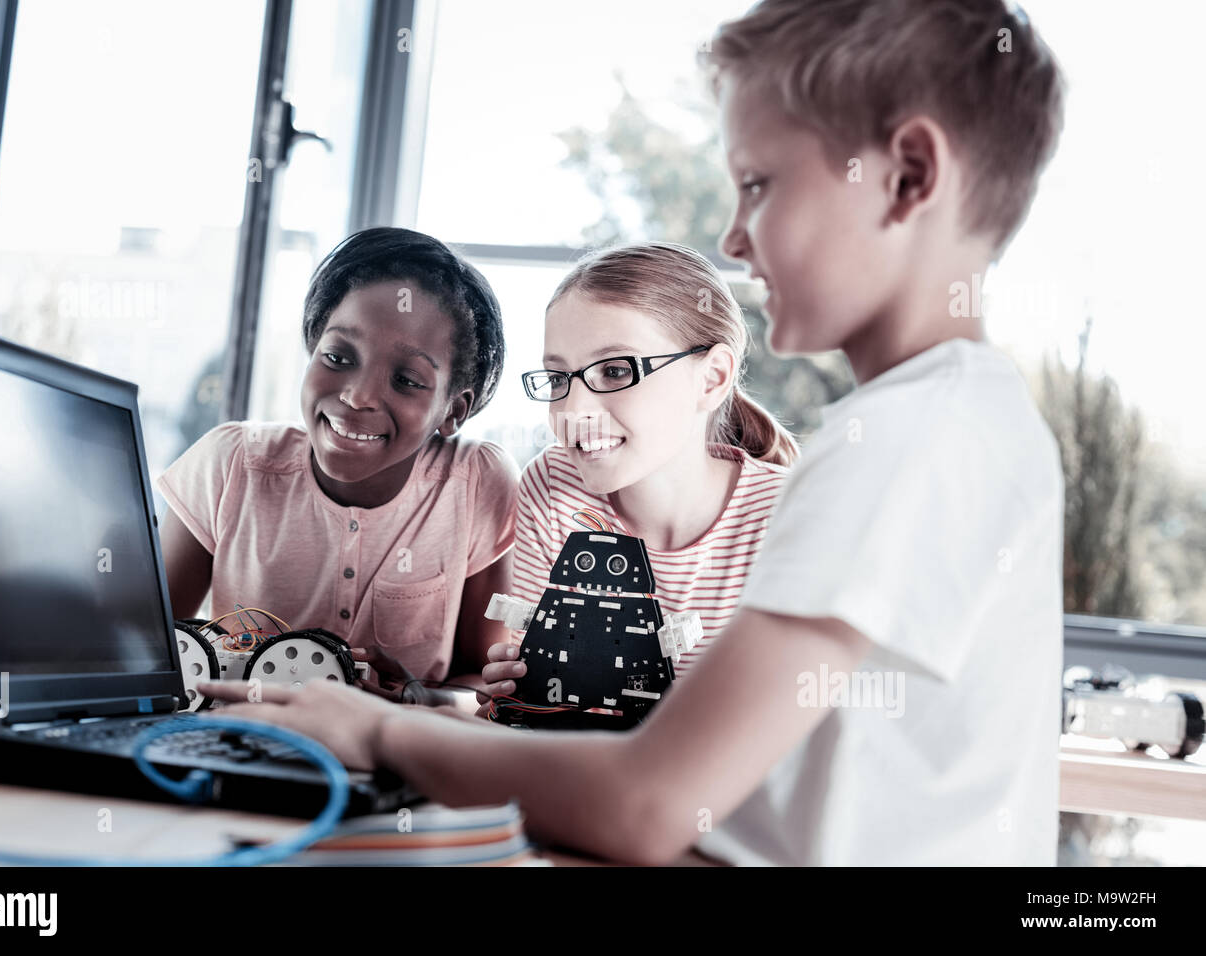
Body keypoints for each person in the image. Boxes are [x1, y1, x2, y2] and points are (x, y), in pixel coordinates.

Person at [201, 0, 1066, 865]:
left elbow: (649, 805)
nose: (733, 235)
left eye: (759, 184)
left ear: (909, 175)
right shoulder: (967, 417)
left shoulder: (909, 438)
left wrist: (379, 732)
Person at [159, 227, 517, 701]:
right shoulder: (232, 465)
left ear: (454, 410)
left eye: (407, 380)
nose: (358, 395)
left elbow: (485, 687)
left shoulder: (476, 484)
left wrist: (413, 697)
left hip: (391, 760)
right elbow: (146, 653)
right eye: (338, 356)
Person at [476, 242, 798, 712]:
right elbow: (536, 701)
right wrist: (516, 691)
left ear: (711, 379)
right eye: (558, 378)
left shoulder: (790, 516)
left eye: (614, 370)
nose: (573, 411)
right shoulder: (553, 483)